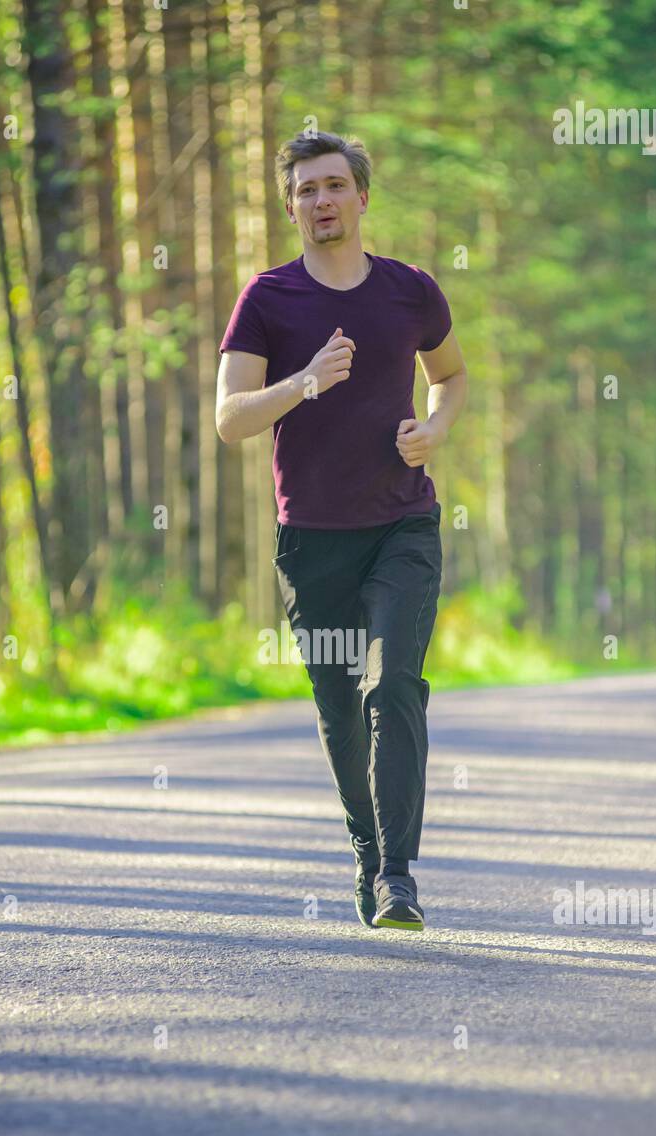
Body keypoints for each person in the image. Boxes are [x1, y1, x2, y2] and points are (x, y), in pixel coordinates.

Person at [216, 130, 467, 930]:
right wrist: (303, 381)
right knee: (337, 708)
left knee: (390, 685)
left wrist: (435, 428)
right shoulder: (267, 299)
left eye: (333, 185)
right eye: (305, 190)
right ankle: (366, 854)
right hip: (312, 541)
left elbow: (451, 374)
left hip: (402, 524)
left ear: (363, 195)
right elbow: (229, 420)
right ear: (290, 206)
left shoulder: (409, 290)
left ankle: (397, 875)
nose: (320, 201)